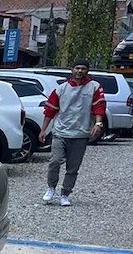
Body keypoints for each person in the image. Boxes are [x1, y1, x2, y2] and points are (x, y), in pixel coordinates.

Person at [38, 58, 106, 207]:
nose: (79, 71)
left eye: (83, 68)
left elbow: (99, 106)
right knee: (55, 161)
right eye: (77, 68)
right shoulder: (61, 89)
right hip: (60, 131)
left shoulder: (94, 87)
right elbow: (50, 110)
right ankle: (51, 187)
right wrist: (43, 130)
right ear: (72, 70)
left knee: (73, 167)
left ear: (87, 70)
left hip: (81, 133)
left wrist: (98, 123)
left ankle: (65, 194)